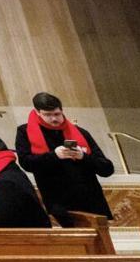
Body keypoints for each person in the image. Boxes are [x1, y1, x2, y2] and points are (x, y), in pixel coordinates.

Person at [15, 92, 114, 225]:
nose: (54, 119)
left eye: (57, 114)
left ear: (62, 111)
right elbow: (27, 163)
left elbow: (107, 169)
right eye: (47, 115)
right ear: (37, 113)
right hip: (59, 200)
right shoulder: (25, 132)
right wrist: (54, 156)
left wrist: (83, 157)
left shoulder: (80, 132)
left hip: (90, 197)